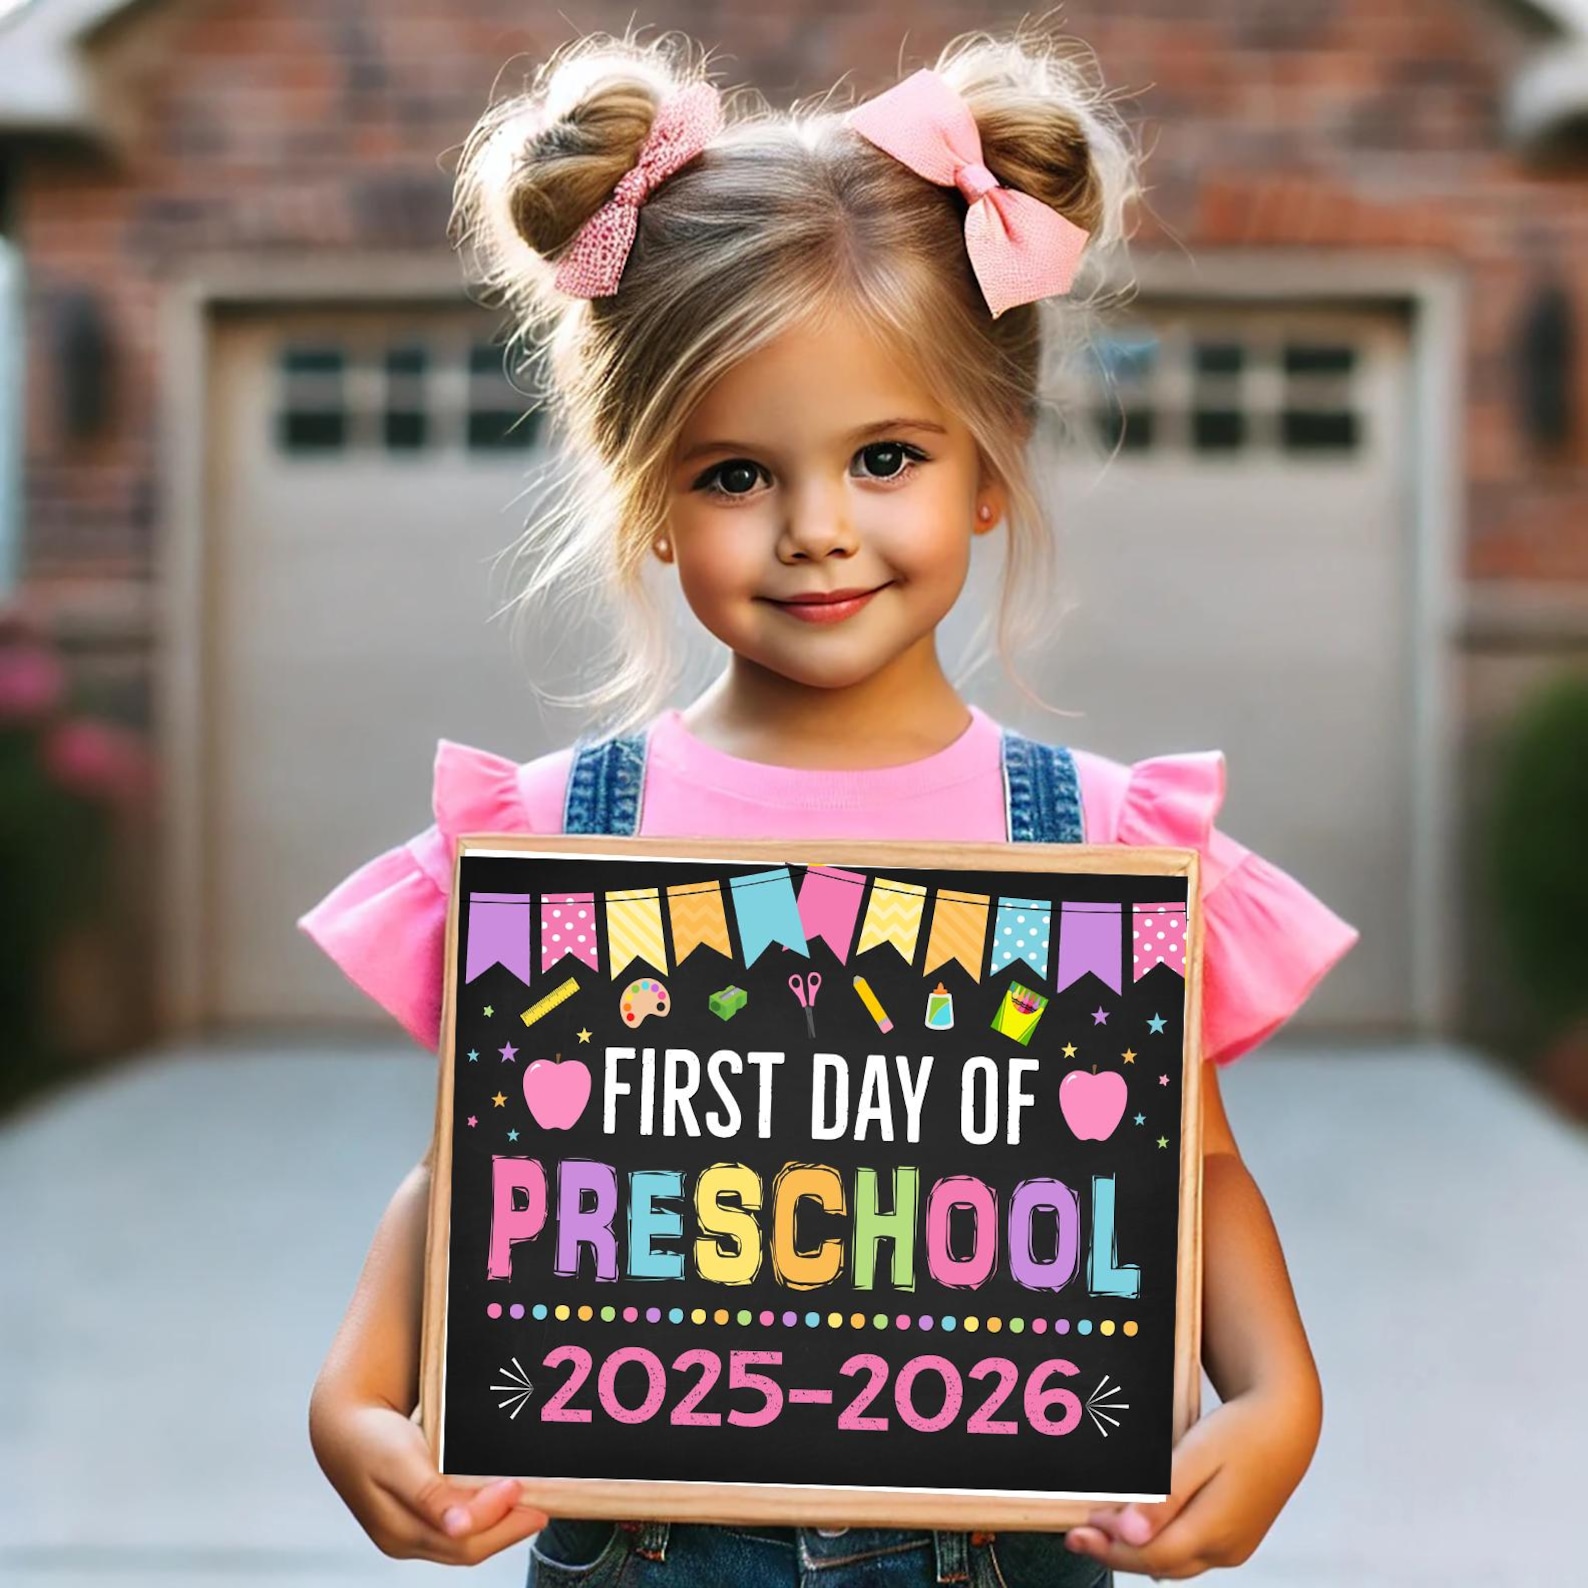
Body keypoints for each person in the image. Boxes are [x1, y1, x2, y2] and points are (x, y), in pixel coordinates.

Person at [297, 23, 1360, 1586]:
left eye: (884, 457)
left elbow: (1181, 1164)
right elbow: (492, 1159)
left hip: (996, 1543)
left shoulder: (1098, 848)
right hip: (640, 1537)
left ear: (986, 470)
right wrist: (356, 1392)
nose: (815, 530)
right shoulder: (550, 838)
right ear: (648, 492)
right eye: (736, 474)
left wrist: (1276, 1399)